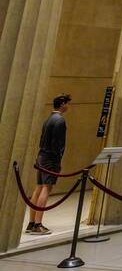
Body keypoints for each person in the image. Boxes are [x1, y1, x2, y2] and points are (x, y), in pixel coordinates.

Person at [27, 94, 72, 235]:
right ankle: (38, 225)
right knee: (46, 188)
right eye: (68, 103)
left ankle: (31, 222)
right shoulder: (59, 120)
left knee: (39, 187)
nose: (69, 106)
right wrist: (58, 159)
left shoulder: (48, 119)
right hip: (50, 158)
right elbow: (58, 144)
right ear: (62, 103)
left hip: (41, 156)